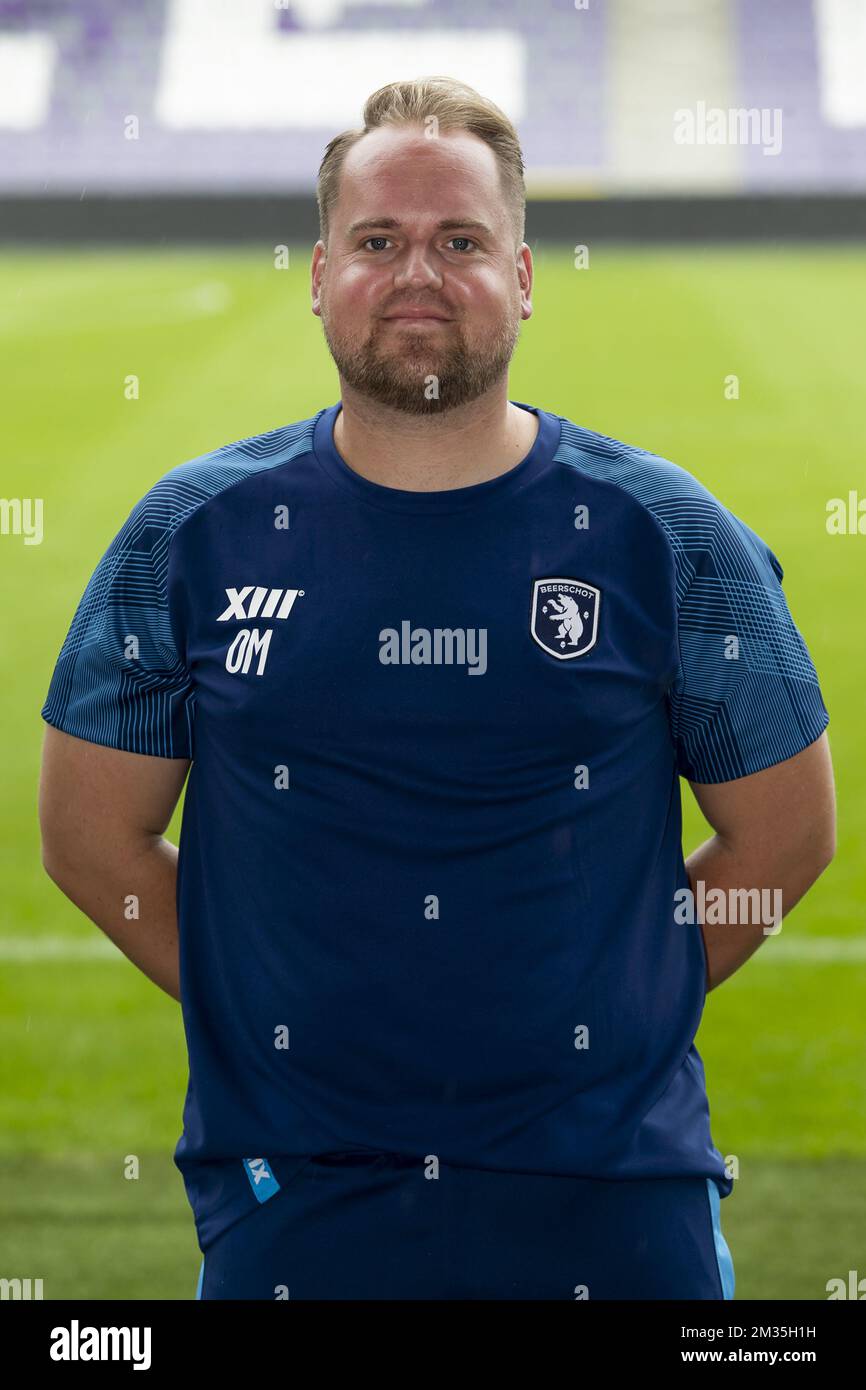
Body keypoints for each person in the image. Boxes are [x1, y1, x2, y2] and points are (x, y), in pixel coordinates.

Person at [39, 76, 835, 1301]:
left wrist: (616, 1007)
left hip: (611, 1194)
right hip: (301, 1198)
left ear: (519, 275)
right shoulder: (190, 533)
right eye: (378, 241)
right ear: (318, 275)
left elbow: (784, 830)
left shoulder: (666, 534)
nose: (419, 272)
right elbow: (91, 833)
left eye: (459, 241)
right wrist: (270, 1013)